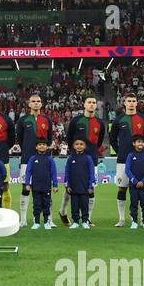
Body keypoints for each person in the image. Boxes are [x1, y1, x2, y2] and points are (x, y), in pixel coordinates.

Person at [109, 93, 144, 227]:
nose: (132, 103)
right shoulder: (118, 120)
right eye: (129, 101)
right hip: (122, 160)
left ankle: (142, 219)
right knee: (122, 189)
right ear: (125, 103)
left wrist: (141, 152)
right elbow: (112, 139)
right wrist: (121, 151)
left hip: (140, 160)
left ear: (137, 103)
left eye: (134, 101)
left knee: (141, 189)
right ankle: (121, 219)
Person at [61, 95, 104, 225]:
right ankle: (62, 211)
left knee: (91, 189)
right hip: (76, 159)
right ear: (84, 105)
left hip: (92, 160)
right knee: (70, 188)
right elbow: (69, 139)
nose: (91, 104)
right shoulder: (76, 121)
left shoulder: (100, 123)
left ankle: (87, 218)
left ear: (96, 106)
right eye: (89, 102)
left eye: (93, 102)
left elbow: (99, 141)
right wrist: (74, 153)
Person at [22, 138, 57, 229]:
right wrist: (27, 183)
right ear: (36, 147)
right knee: (36, 205)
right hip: (36, 187)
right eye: (40, 144)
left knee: (46, 204)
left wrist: (55, 185)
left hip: (46, 187)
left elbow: (54, 172)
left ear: (47, 147)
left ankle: (46, 222)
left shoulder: (50, 159)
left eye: (44, 145)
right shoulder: (33, 159)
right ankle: (36, 222)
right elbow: (28, 172)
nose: (42, 146)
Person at [63, 138, 95, 229]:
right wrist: (67, 185)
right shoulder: (71, 158)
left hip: (85, 187)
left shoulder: (88, 158)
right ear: (73, 146)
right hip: (73, 187)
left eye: (81, 144)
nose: (79, 146)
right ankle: (75, 222)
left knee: (85, 205)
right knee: (74, 206)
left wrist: (90, 186)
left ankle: (85, 221)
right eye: (77, 144)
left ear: (84, 146)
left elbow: (91, 172)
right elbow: (67, 172)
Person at [124, 136, 144, 229]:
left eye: (142, 142)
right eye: (138, 142)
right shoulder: (130, 155)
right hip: (133, 185)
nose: (140, 143)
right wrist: (135, 181)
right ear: (134, 143)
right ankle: (134, 222)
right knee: (134, 204)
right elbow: (127, 169)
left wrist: (143, 181)